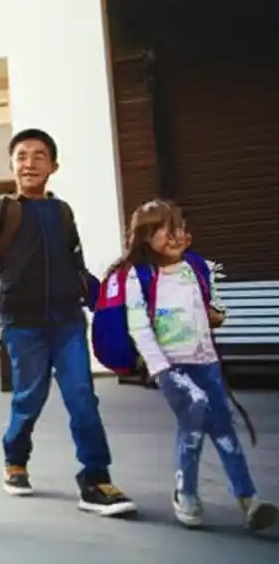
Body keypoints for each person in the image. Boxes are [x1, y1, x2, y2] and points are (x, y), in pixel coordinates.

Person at [0, 128, 136, 516]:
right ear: (12, 165)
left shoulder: (62, 211)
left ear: (53, 166)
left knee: (82, 397)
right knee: (30, 398)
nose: (30, 163)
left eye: (39, 156)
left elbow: (74, 261)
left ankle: (95, 479)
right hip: (22, 321)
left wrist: (101, 299)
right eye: (22, 155)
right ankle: (15, 458)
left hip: (67, 320)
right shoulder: (1, 210)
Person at [110, 199, 276, 531]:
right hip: (173, 368)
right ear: (145, 237)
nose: (177, 235)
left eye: (181, 228)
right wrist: (162, 371)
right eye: (166, 229)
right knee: (194, 423)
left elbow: (211, 308)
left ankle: (248, 499)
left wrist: (217, 316)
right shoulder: (138, 276)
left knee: (223, 428)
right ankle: (185, 493)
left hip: (207, 363)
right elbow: (139, 328)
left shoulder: (195, 267)